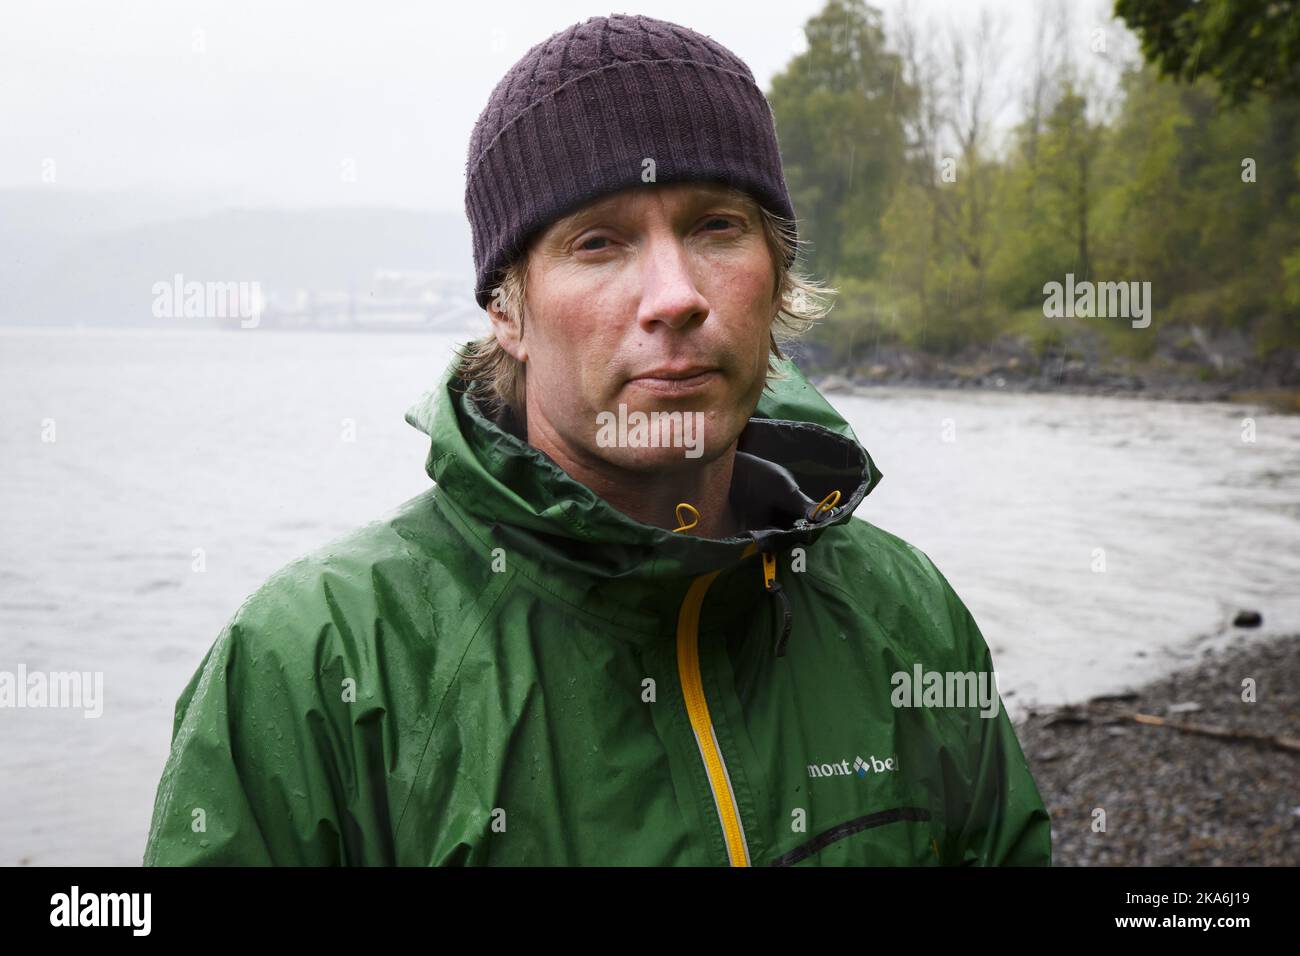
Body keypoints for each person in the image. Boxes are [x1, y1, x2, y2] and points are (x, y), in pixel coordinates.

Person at [143, 13, 1051, 866]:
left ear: (777, 276)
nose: (674, 295)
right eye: (599, 243)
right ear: (509, 309)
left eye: (717, 227)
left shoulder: (906, 615)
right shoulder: (313, 664)